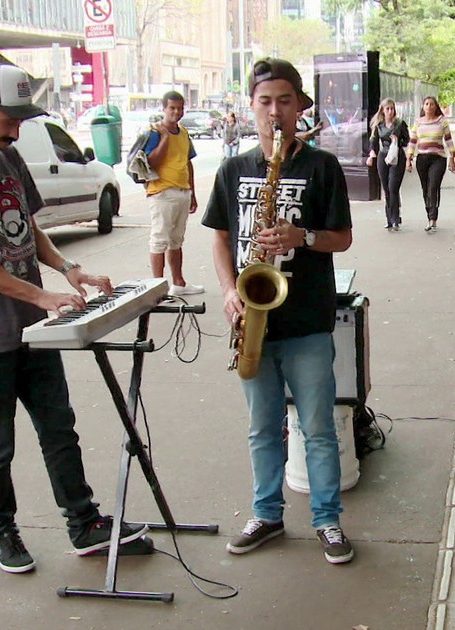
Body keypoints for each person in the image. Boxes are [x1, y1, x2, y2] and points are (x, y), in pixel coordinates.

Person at [0, 64, 146, 574]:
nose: (17, 130)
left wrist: (70, 269)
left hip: (33, 329)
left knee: (58, 428)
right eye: (10, 119)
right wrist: (40, 297)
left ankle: (84, 523)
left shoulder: (9, 156)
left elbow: (29, 229)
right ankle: (0, 532)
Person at [203, 57, 356, 565]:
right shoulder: (232, 168)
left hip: (308, 321)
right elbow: (222, 240)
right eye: (265, 101)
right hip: (252, 320)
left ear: (299, 107)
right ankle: (267, 514)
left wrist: (303, 236)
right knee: (262, 428)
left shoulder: (321, 166)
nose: (274, 111)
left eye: (284, 101)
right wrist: (229, 292)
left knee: (318, 428)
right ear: (251, 106)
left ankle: (327, 519)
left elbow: (344, 238)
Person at [143, 91, 204, 296]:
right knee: (159, 240)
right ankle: (158, 288)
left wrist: (192, 192)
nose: (176, 112)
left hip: (182, 191)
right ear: (164, 109)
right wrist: (165, 138)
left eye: (179, 108)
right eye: (172, 108)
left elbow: (188, 162)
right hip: (162, 192)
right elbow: (152, 161)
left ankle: (179, 282)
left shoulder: (184, 132)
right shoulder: (155, 132)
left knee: (176, 240)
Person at [406, 96, 455, 233]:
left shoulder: (442, 122)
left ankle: (432, 219)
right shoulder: (418, 122)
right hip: (422, 159)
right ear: (423, 106)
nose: (429, 106)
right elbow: (412, 141)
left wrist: (452, 157)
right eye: (426, 104)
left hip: (438, 158)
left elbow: (448, 140)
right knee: (425, 188)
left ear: (436, 106)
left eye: (432, 104)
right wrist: (409, 158)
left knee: (433, 186)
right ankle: (429, 211)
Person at [366, 98, 410, 231]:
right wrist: (372, 153)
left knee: (393, 188)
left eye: (392, 109)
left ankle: (396, 219)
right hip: (383, 156)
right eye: (387, 109)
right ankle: (389, 219)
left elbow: (407, 140)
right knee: (386, 189)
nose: (390, 111)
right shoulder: (378, 125)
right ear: (383, 111)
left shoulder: (400, 124)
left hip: (397, 156)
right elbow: (373, 142)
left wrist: (398, 141)